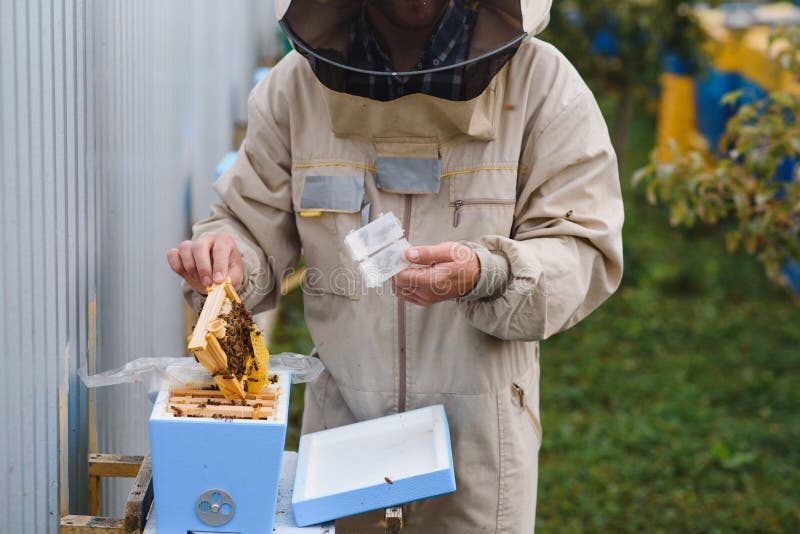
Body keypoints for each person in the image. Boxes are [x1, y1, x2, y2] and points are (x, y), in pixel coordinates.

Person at [167, 0, 624, 531]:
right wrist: (228, 261)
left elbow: (582, 246)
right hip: (341, 439)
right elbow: (247, 225)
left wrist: (489, 272)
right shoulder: (294, 89)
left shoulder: (542, 85)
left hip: (479, 446)